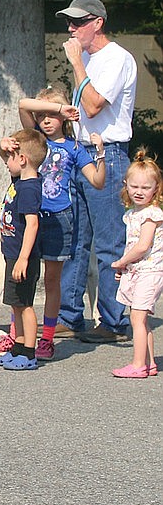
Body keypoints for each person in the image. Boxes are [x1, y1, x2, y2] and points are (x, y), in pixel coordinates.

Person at [0, 87, 108, 360]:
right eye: (41, 115)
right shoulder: (34, 139)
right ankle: (16, 336)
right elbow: (22, 104)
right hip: (27, 217)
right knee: (20, 277)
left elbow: (97, 181)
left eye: (51, 115)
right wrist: (57, 108)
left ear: (65, 117)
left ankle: (47, 339)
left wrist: (100, 155)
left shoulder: (74, 148)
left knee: (52, 280)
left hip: (58, 219)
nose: (46, 120)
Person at [56, 0, 138, 344]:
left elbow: (93, 105)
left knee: (108, 242)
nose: (71, 29)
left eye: (78, 22)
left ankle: (113, 321)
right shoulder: (89, 59)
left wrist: (77, 63)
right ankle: (69, 315)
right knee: (74, 239)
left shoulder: (117, 58)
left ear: (98, 22)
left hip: (107, 154)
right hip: (79, 152)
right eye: (69, 22)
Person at [0, 129, 47, 371]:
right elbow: (9, 158)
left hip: (24, 257)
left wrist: (23, 258)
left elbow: (32, 224)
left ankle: (29, 353)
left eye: (9, 158)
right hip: (13, 254)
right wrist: (3, 146)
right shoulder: (20, 180)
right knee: (16, 304)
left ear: (22, 159)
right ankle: (18, 347)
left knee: (25, 305)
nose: (6, 162)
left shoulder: (30, 188)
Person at [110, 150, 163, 378]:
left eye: (145, 187)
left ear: (156, 189)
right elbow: (132, 245)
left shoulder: (151, 214)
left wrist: (121, 261)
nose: (139, 192)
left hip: (150, 272)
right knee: (141, 319)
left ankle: (138, 364)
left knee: (137, 319)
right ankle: (149, 363)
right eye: (134, 187)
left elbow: (142, 246)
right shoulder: (133, 213)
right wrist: (125, 267)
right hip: (138, 271)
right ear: (126, 186)